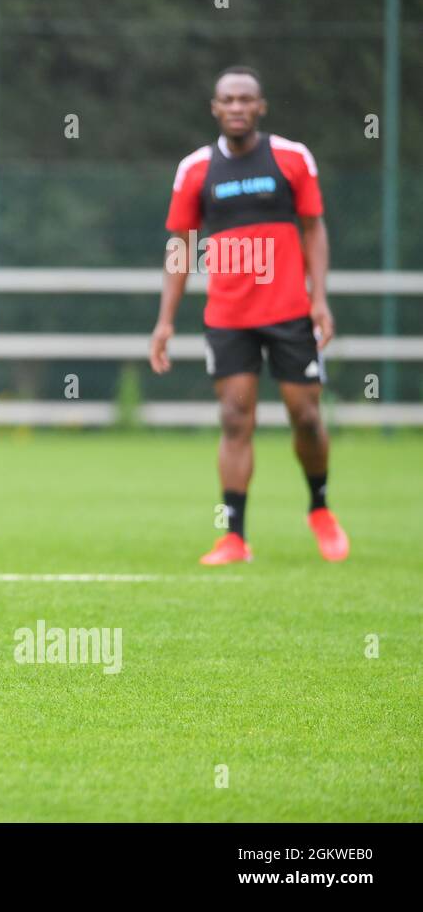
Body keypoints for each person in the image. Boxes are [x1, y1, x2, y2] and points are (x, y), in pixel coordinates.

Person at [149, 66, 348, 565]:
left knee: (305, 415)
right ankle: (234, 537)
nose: (236, 107)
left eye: (245, 99)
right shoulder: (195, 169)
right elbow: (181, 245)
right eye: (227, 100)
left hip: (289, 313)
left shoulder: (292, 158)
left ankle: (320, 509)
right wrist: (165, 320)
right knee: (236, 418)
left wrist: (319, 297)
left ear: (261, 107)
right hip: (229, 317)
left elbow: (313, 228)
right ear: (214, 109)